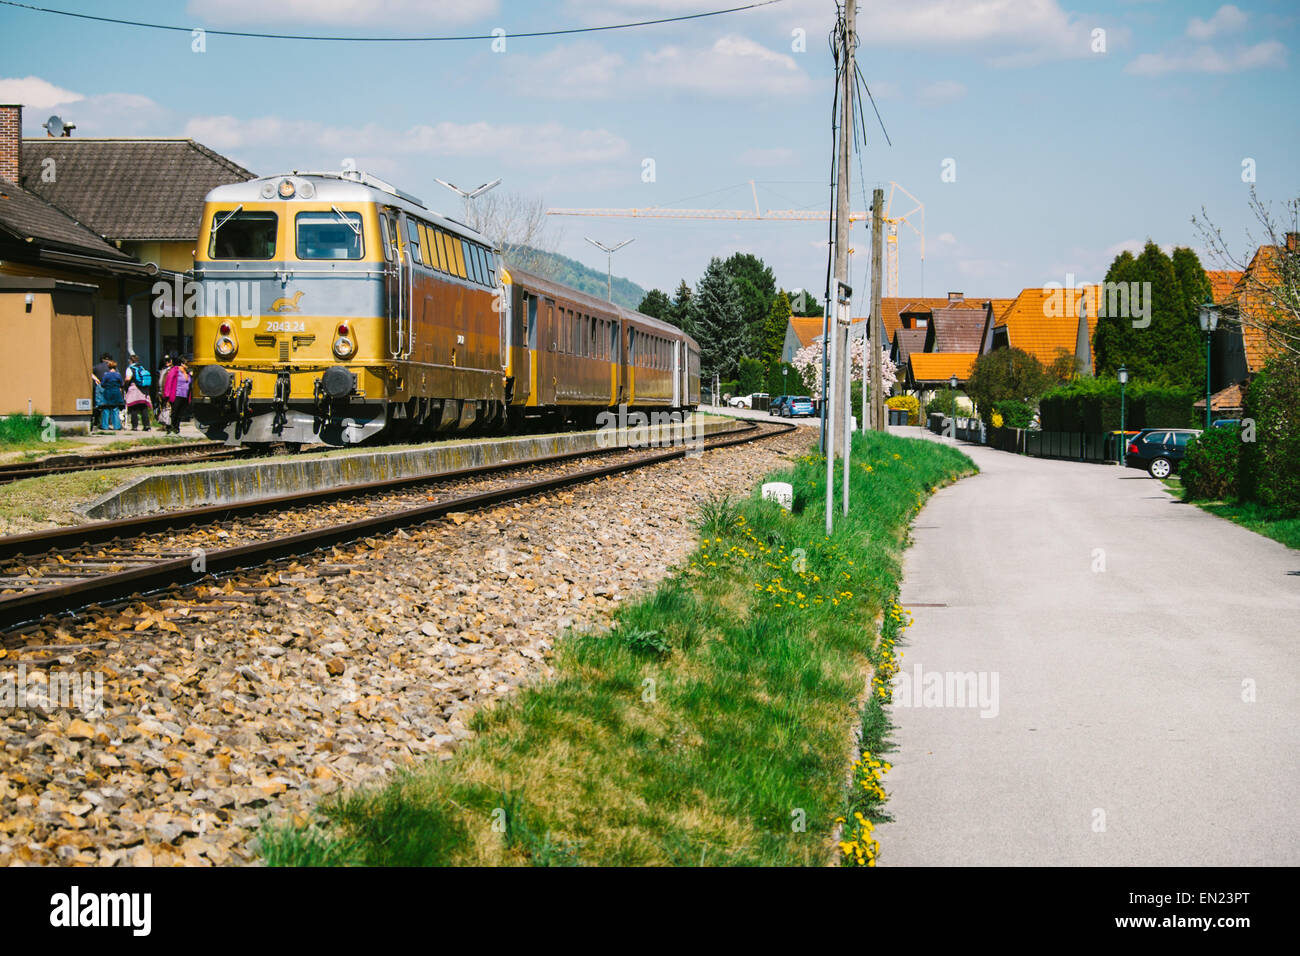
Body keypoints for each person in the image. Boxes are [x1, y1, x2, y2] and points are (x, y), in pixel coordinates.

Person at [161, 354, 192, 434]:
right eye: (187, 363)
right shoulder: (175, 370)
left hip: (185, 395)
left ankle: (176, 428)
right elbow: (169, 382)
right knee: (174, 412)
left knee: (180, 413)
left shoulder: (188, 373)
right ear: (182, 363)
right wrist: (166, 395)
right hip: (176, 394)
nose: (188, 365)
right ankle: (170, 427)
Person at [124, 353, 153, 431]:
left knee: (134, 408)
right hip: (143, 390)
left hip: (134, 389)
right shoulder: (141, 367)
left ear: (130, 361)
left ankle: (135, 426)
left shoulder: (130, 368)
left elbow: (128, 378)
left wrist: (124, 384)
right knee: (143, 408)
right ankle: (147, 426)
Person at [99, 359, 125, 431]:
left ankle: (105, 426)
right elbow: (122, 384)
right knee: (115, 408)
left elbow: (103, 384)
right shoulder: (118, 375)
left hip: (108, 392)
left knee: (106, 409)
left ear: (109, 367)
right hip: (116, 392)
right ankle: (117, 426)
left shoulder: (106, 375)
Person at [91, 352, 111, 433]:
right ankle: (107, 423)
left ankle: (96, 422)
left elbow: (90, 372)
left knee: (98, 406)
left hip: (99, 387)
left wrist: (96, 379)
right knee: (108, 407)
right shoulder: (112, 367)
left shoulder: (96, 367)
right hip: (110, 388)